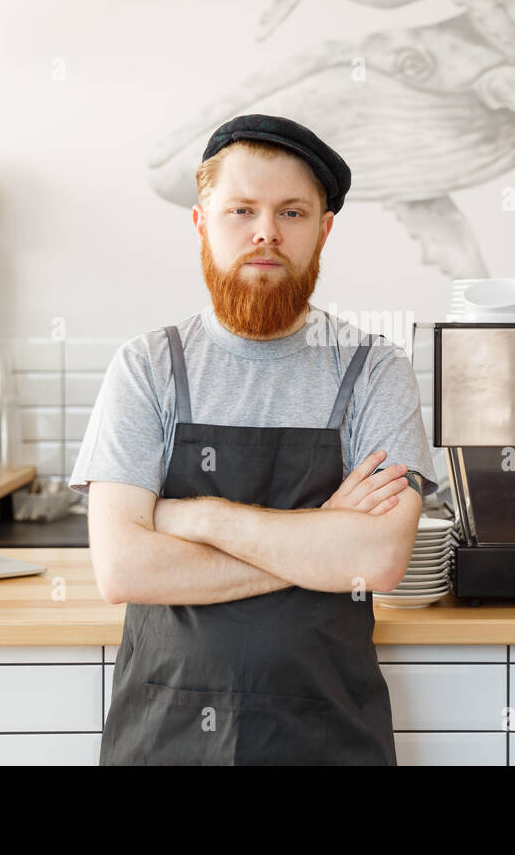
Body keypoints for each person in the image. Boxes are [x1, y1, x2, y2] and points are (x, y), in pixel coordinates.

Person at [70, 113, 438, 765]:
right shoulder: (148, 368)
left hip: (327, 735)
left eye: (292, 213)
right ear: (201, 222)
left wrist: (196, 517)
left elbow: (378, 561)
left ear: (324, 231)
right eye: (242, 209)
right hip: (165, 734)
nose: (266, 231)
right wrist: (317, 543)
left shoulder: (375, 372)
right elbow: (123, 567)